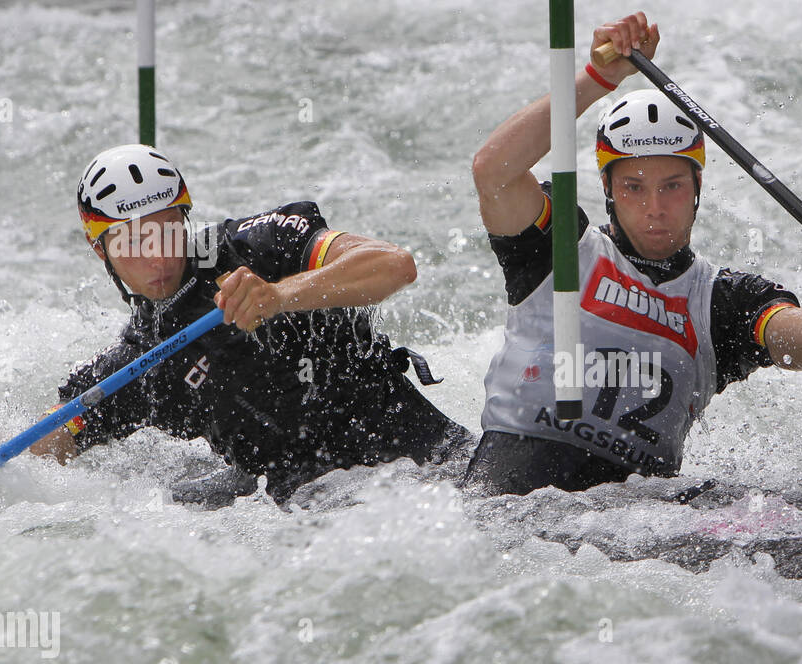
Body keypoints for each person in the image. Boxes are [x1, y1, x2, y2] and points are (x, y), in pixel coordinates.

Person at [464, 12, 802, 496]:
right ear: (607, 188)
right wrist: (599, 78)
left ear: (698, 186)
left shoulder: (721, 302)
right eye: (634, 187)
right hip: (510, 498)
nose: (655, 208)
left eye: (673, 186)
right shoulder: (558, 248)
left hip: (635, 523)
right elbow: (492, 170)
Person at [30, 143, 471, 505]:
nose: (157, 256)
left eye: (167, 230)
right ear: (100, 251)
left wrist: (281, 296)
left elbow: (395, 265)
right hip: (311, 512)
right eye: (132, 241)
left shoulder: (258, 247)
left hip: (422, 458)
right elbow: (48, 445)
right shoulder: (139, 364)